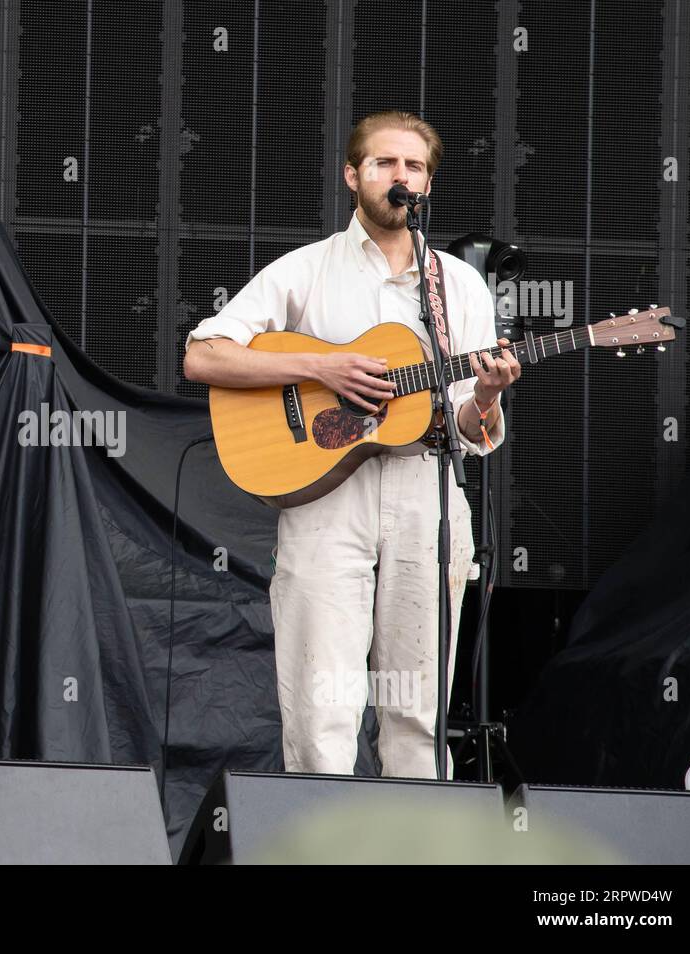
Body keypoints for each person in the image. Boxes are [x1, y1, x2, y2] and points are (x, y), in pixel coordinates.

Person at [183, 111, 520, 778]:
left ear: (428, 182)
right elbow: (204, 356)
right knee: (323, 706)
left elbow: (471, 432)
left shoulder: (459, 286)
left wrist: (485, 398)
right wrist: (319, 368)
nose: (402, 177)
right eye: (386, 163)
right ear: (353, 175)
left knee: (416, 713)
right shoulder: (306, 270)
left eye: (415, 167)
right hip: (328, 502)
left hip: (427, 492)